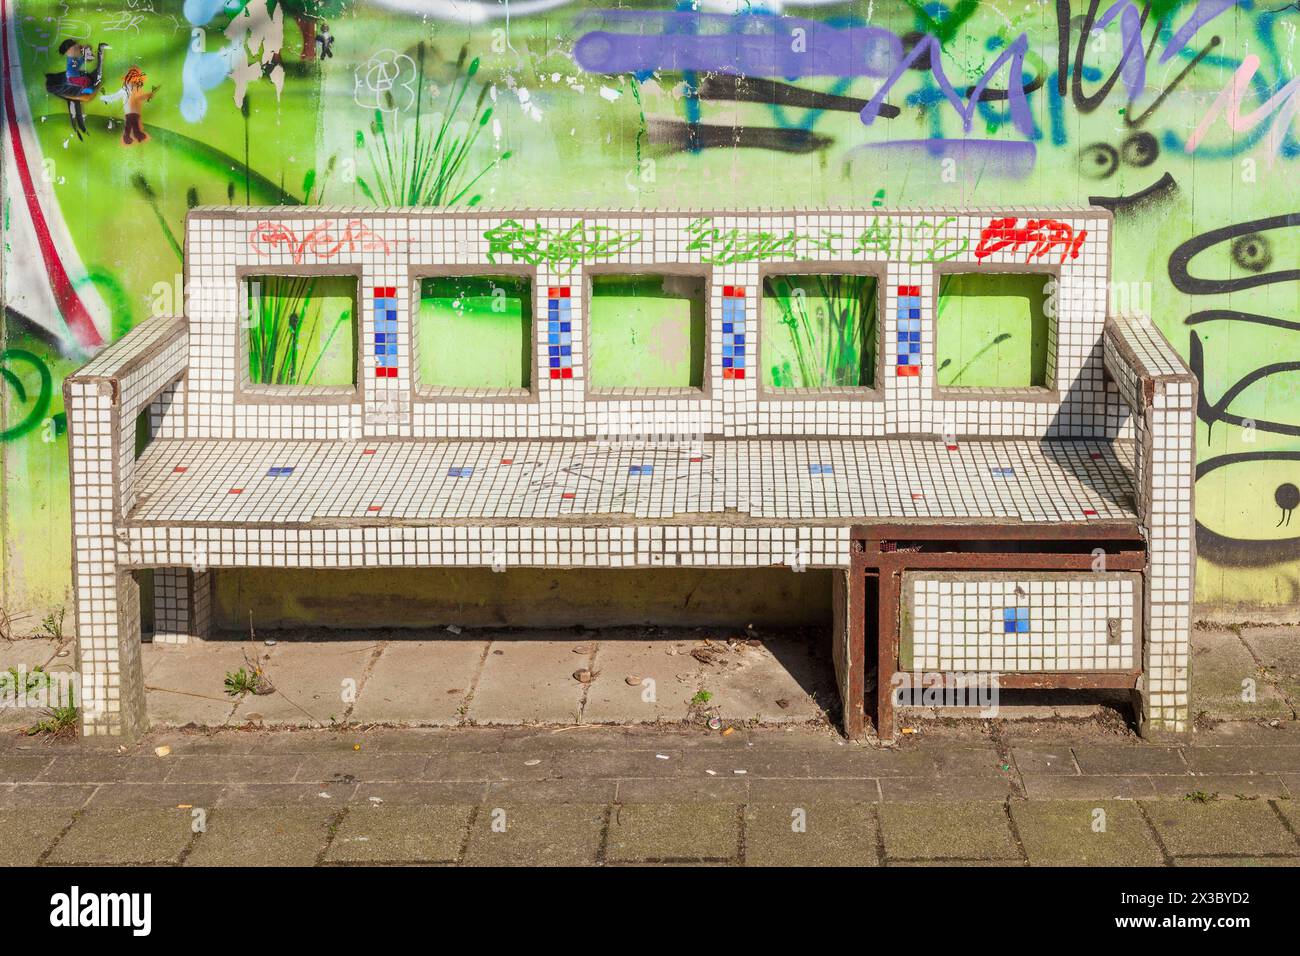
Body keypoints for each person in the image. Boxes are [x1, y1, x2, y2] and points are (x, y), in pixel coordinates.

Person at [100, 67, 157, 145]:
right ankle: (130, 137)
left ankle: (137, 135)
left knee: (134, 125)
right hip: (130, 112)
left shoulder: (136, 90)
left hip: (135, 112)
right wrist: (104, 98)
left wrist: (148, 95)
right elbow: (114, 97)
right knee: (130, 125)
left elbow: (140, 97)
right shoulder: (124, 90)